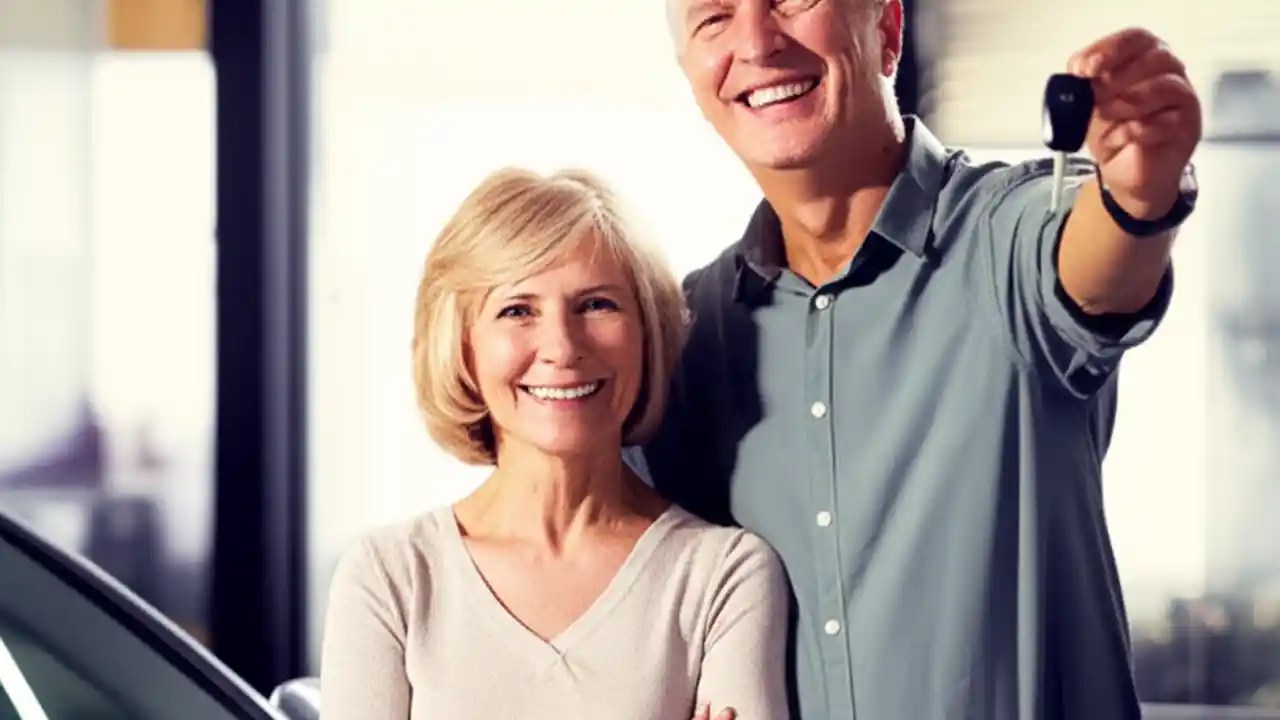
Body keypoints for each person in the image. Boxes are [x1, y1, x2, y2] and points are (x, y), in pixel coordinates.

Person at [635, 1, 1202, 718]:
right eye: (714, 16)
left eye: (793, 0)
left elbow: (1093, 269)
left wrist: (1141, 194)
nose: (757, 41)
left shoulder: (1004, 235)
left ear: (888, 30)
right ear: (691, 76)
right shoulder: (681, 338)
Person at [319, 167, 791, 719]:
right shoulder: (391, 576)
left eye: (597, 305)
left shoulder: (724, 576)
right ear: (464, 346)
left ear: (648, 334)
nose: (562, 347)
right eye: (517, 310)